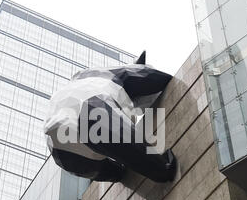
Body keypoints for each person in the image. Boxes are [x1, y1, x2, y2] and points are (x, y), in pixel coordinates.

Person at [44, 51, 176, 183]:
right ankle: (162, 168)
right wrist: (169, 81)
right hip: (88, 107)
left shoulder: (79, 83)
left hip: (59, 152)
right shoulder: (111, 76)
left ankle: (117, 173)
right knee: (123, 140)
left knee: (114, 171)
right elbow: (147, 76)